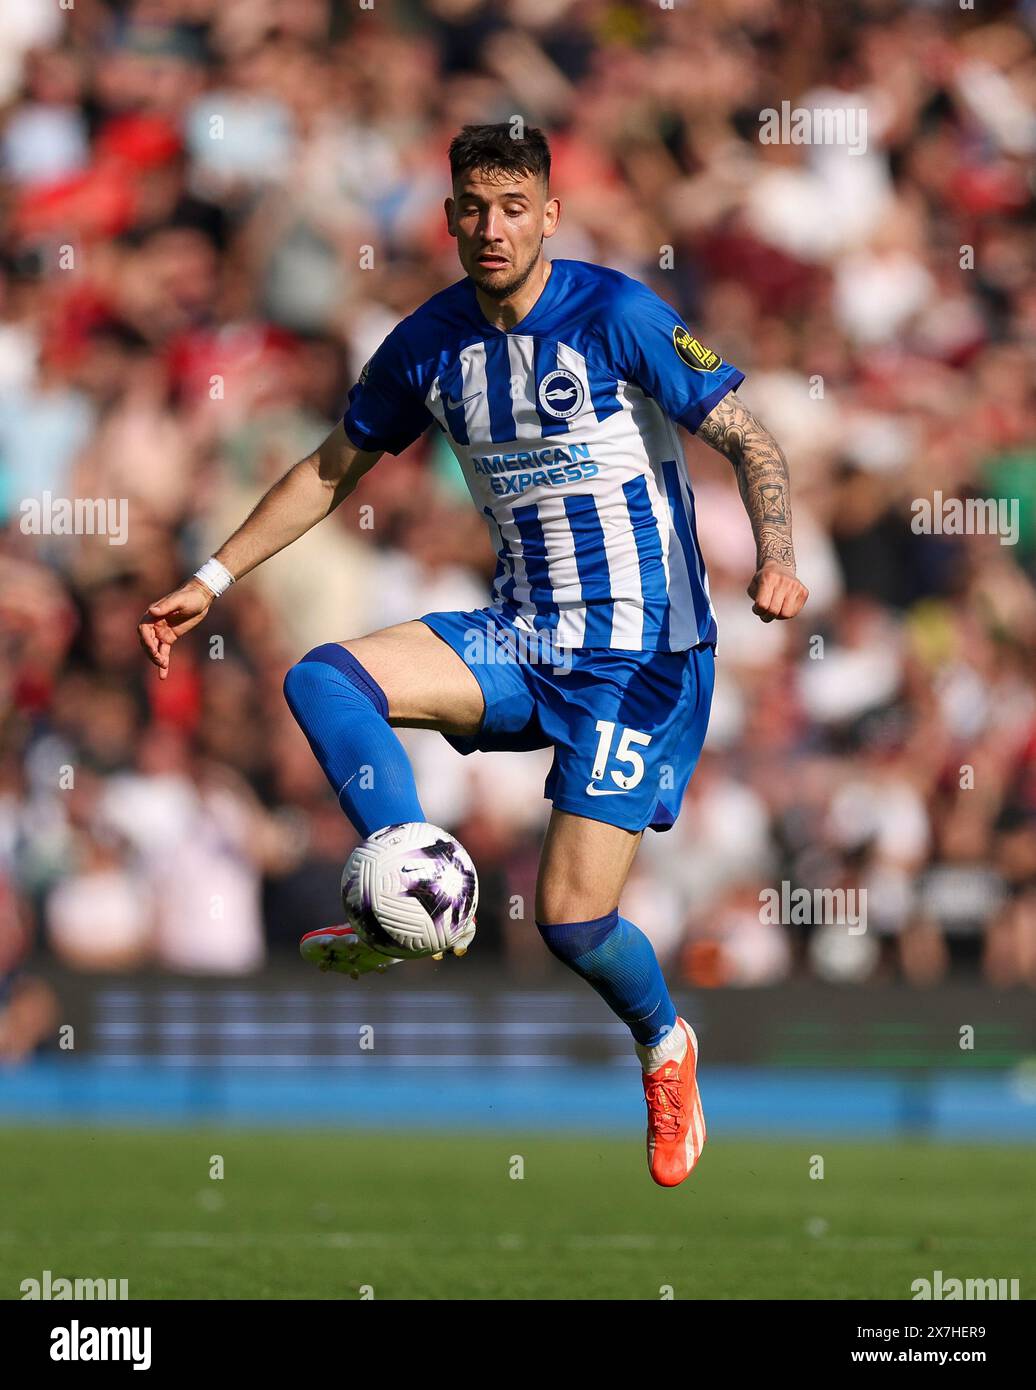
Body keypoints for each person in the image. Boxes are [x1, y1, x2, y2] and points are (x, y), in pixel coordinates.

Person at [138, 124, 808, 1187]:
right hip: (522, 635)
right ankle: (413, 878)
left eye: (514, 206)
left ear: (548, 213)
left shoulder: (618, 314)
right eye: (474, 207)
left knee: (571, 922)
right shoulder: (429, 340)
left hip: (642, 661)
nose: (492, 227)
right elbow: (328, 470)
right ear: (448, 216)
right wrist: (211, 579)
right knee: (322, 675)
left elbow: (750, 439)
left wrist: (774, 557)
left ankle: (664, 1045)